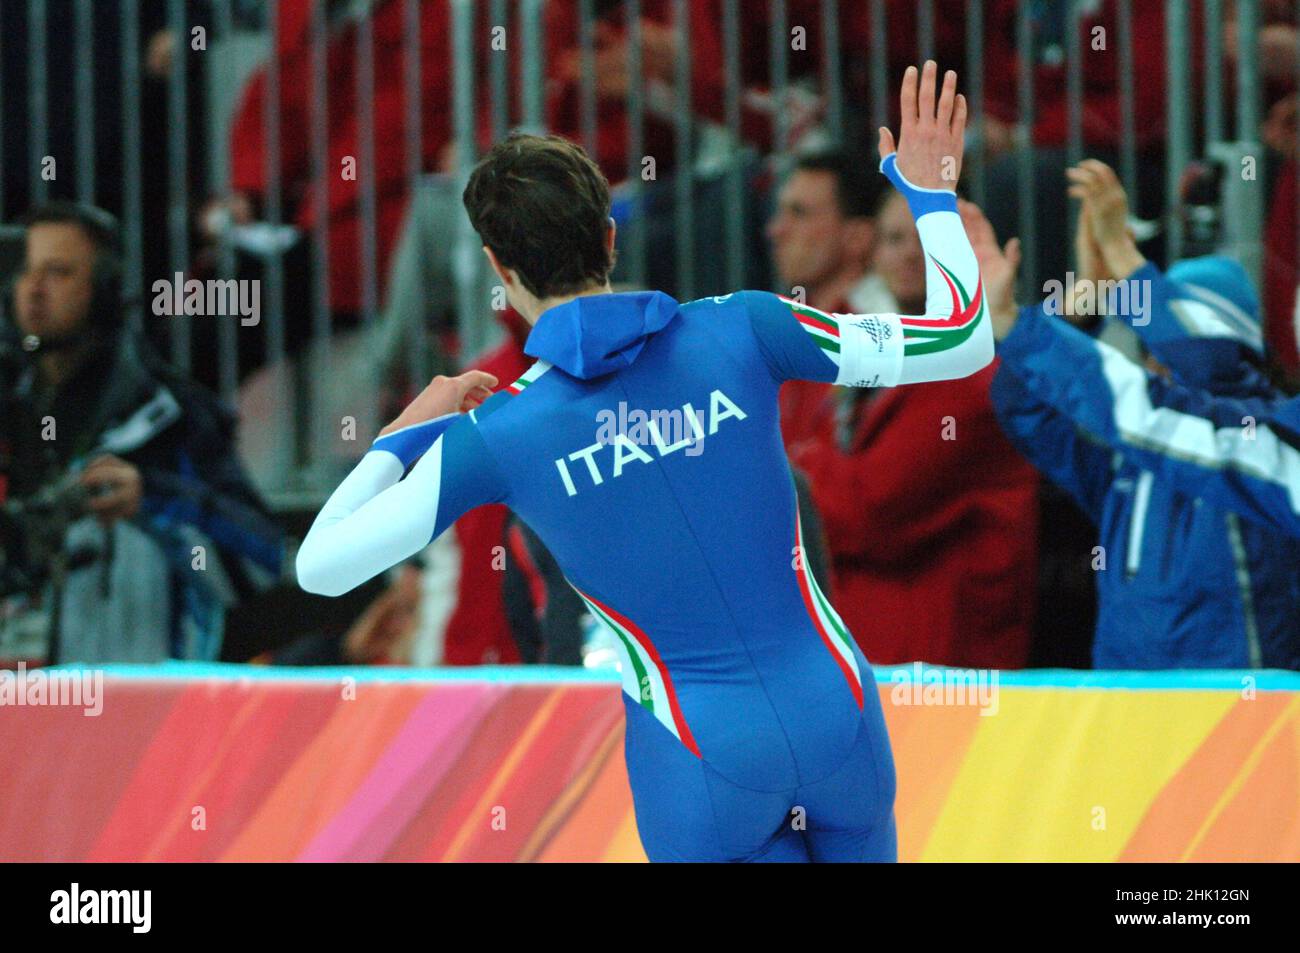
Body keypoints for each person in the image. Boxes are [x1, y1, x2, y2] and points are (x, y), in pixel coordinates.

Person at [299, 63, 991, 862]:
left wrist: (405, 432)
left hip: (702, 762)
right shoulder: (747, 326)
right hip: (840, 718)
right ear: (610, 236)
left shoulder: (496, 434)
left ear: (500, 267)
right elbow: (963, 337)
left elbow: (320, 566)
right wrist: (929, 193)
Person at [976, 166, 1300, 670]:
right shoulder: (1129, 451)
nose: (1153, 363)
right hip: (1126, 713)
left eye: (1161, 342)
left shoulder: (1262, 433)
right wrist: (1084, 296)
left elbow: (1203, 360)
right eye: (1149, 350)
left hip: (1239, 723)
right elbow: (1024, 407)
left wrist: (1128, 271)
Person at [769, 153, 1039, 668]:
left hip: (943, 674)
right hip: (878, 658)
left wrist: (792, 462)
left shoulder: (973, 378)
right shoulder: (886, 351)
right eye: (894, 240)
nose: (910, 257)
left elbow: (866, 514)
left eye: (928, 242)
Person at [0, 202, 284, 665]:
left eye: (58, 272)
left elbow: (264, 558)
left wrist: (153, 499)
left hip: (144, 709)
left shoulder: (171, 415)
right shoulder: (12, 408)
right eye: (23, 272)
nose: (33, 290)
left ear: (106, 288)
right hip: (20, 710)